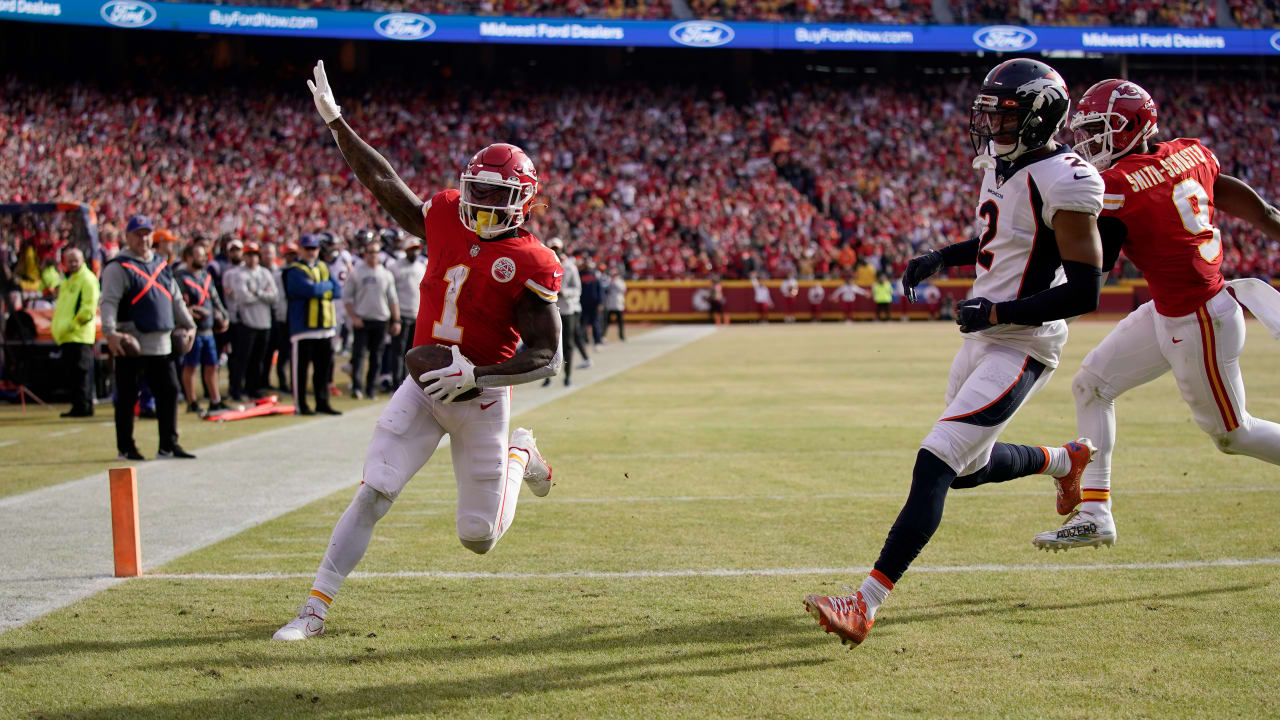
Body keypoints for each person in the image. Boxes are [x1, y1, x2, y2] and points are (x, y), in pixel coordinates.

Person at [803, 59, 1106, 647]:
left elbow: (1086, 290)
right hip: (984, 338)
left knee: (935, 461)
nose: (992, 125)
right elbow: (1006, 239)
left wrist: (996, 312)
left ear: (1042, 115)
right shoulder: (1005, 165)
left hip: (1023, 344)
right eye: (989, 113)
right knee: (965, 472)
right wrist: (945, 256)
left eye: (1007, 113)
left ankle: (864, 604)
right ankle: (1064, 460)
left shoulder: (1064, 177)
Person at [275, 62, 564, 641]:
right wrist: (337, 124)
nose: (480, 203)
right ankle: (313, 609)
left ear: (522, 201)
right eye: (476, 189)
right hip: (423, 386)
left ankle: (520, 453)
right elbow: (383, 182)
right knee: (375, 490)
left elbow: (546, 355)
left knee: (477, 536)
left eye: (495, 195)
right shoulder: (444, 215)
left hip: (481, 396)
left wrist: (475, 372)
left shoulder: (532, 261)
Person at [1031, 79, 1280, 550]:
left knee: (1234, 434)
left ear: (1134, 126)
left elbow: (1092, 265)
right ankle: (1096, 512)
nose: (1090, 141)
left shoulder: (1120, 184)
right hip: (1174, 309)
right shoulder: (1192, 152)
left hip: (1200, 320)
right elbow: (1256, 207)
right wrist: (1271, 222)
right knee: (1092, 385)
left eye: (1102, 129)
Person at [99, 215, 197, 460]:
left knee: (170, 391)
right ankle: (126, 447)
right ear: (128, 236)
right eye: (138, 234)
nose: (143, 238)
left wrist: (189, 325)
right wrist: (110, 333)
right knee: (128, 396)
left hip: (162, 342)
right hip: (131, 341)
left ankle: (168, 444)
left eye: (147, 233)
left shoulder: (161, 265)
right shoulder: (118, 266)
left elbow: (175, 299)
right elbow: (108, 301)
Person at [284, 234, 343, 416]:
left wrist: (319, 289)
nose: (311, 252)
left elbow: (338, 291)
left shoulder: (324, 267)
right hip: (303, 329)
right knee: (301, 370)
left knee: (323, 370)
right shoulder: (293, 270)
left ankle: (322, 402)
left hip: (325, 327)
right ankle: (301, 404)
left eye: (314, 248)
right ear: (300, 250)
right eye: (308, 248)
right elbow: (309, 290)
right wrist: (324, 288)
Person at [344, 239, 400, 400]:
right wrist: (354, 317)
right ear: (365, 254)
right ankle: (356, 387)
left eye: (376, 252)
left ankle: (369, 388)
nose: (373, 255)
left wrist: (396, 320)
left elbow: (393, 299)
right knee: (359, 355)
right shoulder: (356, 272)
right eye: (370, 252)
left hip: (381, 319)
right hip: (362, 319)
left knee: (376, 356)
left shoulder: (386, 274)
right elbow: (347, 298)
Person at [175, 244, 229, 415]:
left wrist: (223, 315)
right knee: (191, 366)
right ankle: (192, 401)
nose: (203, 258)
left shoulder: (206, 276)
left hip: (208, 329)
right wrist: (188, 311)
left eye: (204, 255)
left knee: (212, 365)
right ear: (189, 257)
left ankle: (215, 400)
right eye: (199, 255)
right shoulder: (181, 277)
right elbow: (177, 302)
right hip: (192, 330)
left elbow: (215, 298)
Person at [51, 248, 99, 418]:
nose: (72, 264)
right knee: (72, 373)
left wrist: (72, 325)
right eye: (69, 260)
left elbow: (88, 307)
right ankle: (77, 405)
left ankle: (84, 406)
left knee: (81, 372)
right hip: (66, 335)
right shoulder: (67, 280)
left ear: (82, 260)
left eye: (75, 260)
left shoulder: (87, 279)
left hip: (80, 334)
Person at [228, 243, 278, 399]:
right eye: (249, 255)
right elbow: (243, 297)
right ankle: (236, 389)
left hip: (264, 322)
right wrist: (263, 294)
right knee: (242, 359)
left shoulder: (264, 273)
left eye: (255, 255)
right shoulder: (239, 275)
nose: (252, 258)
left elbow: (274, 296)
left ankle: (254, 388)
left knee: (258, 359)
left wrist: (256, 292)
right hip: (247, 322)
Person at [545, 237, 588, 387]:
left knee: (568, 344)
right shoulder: (545, 265)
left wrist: (564, 292)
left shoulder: (570, 267)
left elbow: (577, 289)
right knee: (550, 344)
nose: (556, 250)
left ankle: (567, 375)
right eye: (553, 248)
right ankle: (547, 377)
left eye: (557, 247)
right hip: (550, 309)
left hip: (567, 309)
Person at [387, 237, 426, 388]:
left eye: (416, 249)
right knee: (398, 351)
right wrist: (394, 316)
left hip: (417, 314)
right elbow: (390, 294)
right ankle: (397, 381)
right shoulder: (395, 267)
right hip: (402, 314)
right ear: (405, 250)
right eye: (411, 249)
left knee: (414, 352)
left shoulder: (422, 266)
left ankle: (411, 382)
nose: (414, 252)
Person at [268, 242, 295, 393]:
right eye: (289, 254)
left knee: (294, 354)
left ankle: (293, 382)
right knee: (283, 352)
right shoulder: (279, 273)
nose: (291, 257)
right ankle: (283, 383)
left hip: (296, 318)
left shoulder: (298, 271)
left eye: (293, 254)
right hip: (283, 317)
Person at [580, 257, 604, 348]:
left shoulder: (595, 274)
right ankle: (582, 341)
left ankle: (597, 341)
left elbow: (600, 289)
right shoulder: (580, 274)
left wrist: (600, 302)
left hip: (594, 303)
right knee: (582, 323)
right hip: (583, 302)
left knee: (595, 322)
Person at [603, 270, 626, 341]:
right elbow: (604, 289)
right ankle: (603, 336)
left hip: (618, 304)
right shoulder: (608, 281)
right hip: (610, 305)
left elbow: (623, 289)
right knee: (607, 322)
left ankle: (622, 336)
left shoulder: (620, 282)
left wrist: (615, 281)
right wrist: (611, 282)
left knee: (620, 322)